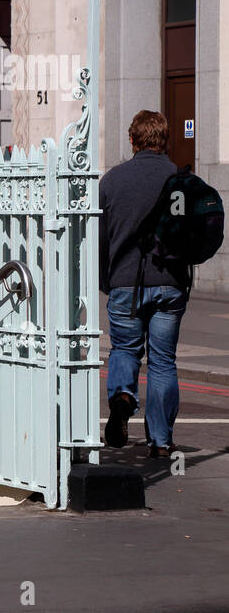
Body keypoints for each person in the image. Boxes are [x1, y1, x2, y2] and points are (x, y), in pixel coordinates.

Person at [99, 110, 190, 458]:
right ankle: (162, 441)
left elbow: (101, 238)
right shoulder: (180, 180)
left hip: (124, 282)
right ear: (164, 139)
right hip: (170, 283)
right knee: (164, 361)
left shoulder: (112, 181)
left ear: (132, 139)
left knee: (124, 349)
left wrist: (107, 280)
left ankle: (123, 397)